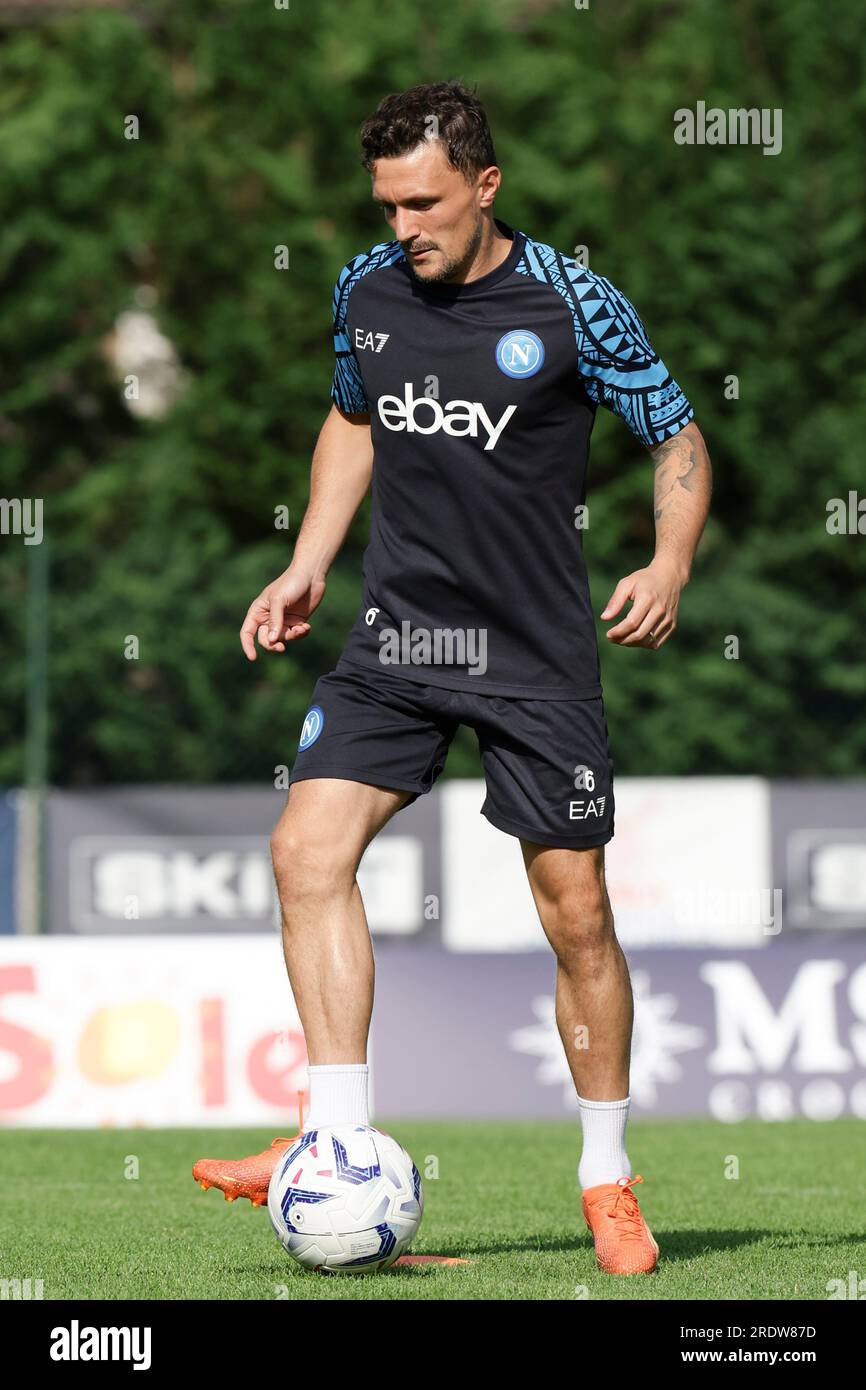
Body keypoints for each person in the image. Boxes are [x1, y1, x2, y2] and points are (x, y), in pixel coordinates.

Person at [194, 80, 712, 1276]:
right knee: (302, 854)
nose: (402, 228)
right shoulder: (365, 289)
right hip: (399, 641)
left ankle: (605, 1176)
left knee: (574, 913)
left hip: (533, 655)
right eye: (385, 206)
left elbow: (675, 432)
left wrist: (668, 561)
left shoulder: (574, 303)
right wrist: (307, 561)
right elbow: (352, 416)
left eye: (423, 202)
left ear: (484, 186)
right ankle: (330, 1138)